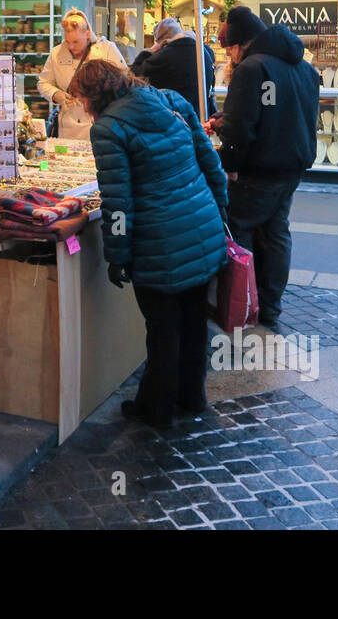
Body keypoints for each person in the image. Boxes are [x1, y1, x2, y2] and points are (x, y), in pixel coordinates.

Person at [69, 59, 228, 428]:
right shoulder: (172, 101)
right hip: (201, 225)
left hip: (160, 241)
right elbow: (210, 162)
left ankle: (155, 410)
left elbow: (119, 203)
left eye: (82, 99)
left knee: (161, 330)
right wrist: (219, 210)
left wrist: (117, 255)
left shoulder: (109, 128)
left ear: (95, 96)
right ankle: (191, 397)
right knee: (193, 320)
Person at [205, 6, 318, 328]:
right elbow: (279, 115)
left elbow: (243, 127)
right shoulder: (303, 67)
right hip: (292, 167)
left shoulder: (252, 68)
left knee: (240, 231)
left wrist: (230, 164)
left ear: (240, 43)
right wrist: (224, 121)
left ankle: (242, 306)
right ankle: (270, 307)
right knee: (276, 233)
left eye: (229, 48)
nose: (229, 55)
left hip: (257, 169)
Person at [37, 7, 126, 140]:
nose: (71, 47)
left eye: (76, 42)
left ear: (87, 33)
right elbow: (43, 83)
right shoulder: (56, 53)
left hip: (103, 123)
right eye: (67, 42)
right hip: (69, 128)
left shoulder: (107, 49)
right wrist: (56, 95)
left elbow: (124, 81)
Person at [130, 17, 217, 120]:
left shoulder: (161, 58)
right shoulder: (204, 54)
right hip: (200, 121)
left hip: (173, 125)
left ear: (160, 42)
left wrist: (149, 51)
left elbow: (134, 76)